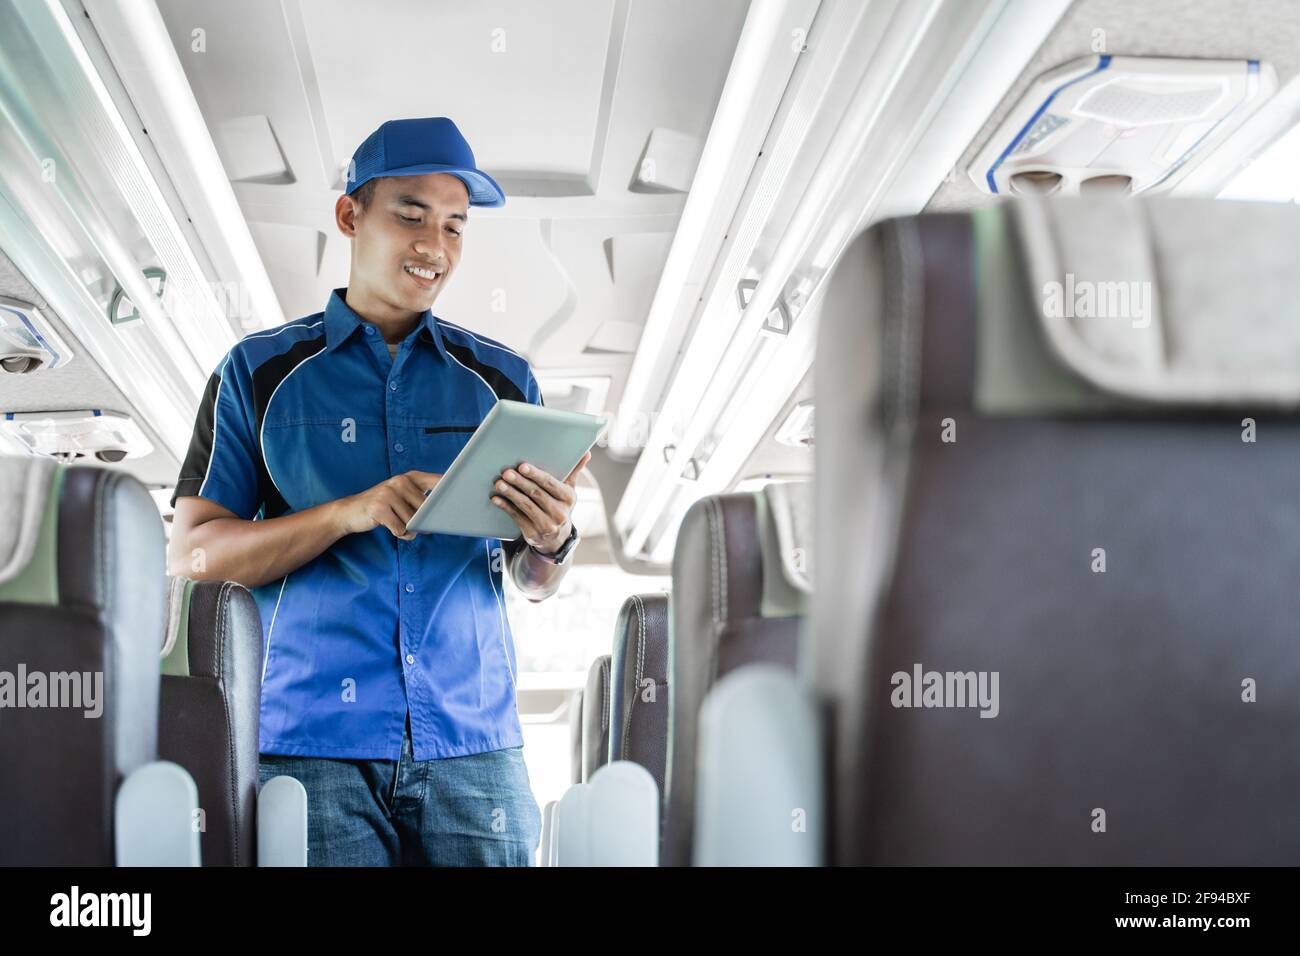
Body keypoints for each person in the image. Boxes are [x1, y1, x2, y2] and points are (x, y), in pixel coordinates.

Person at [167, 117, 586, 866]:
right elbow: (195, 557)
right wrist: (345, 513)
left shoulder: (502, 382)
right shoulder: (258, 373)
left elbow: (529, 579)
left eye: (456, 226)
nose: (436, 246)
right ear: (349, 214)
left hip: (474, 744)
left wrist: (551, 542)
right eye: (412, 214)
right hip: (308, 744)